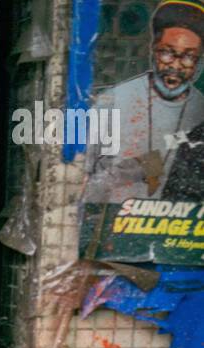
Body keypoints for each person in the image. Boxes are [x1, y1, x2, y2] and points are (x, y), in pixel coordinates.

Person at [84, 0, 204, 203]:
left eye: (188, 57)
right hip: (110, 229)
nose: (175, 65)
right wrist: (130, 171)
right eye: (167, 53)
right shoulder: (112, 103)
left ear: (199, 61)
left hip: (179, 231)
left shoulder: (200, 111)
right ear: (153, 49)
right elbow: (77, 189)